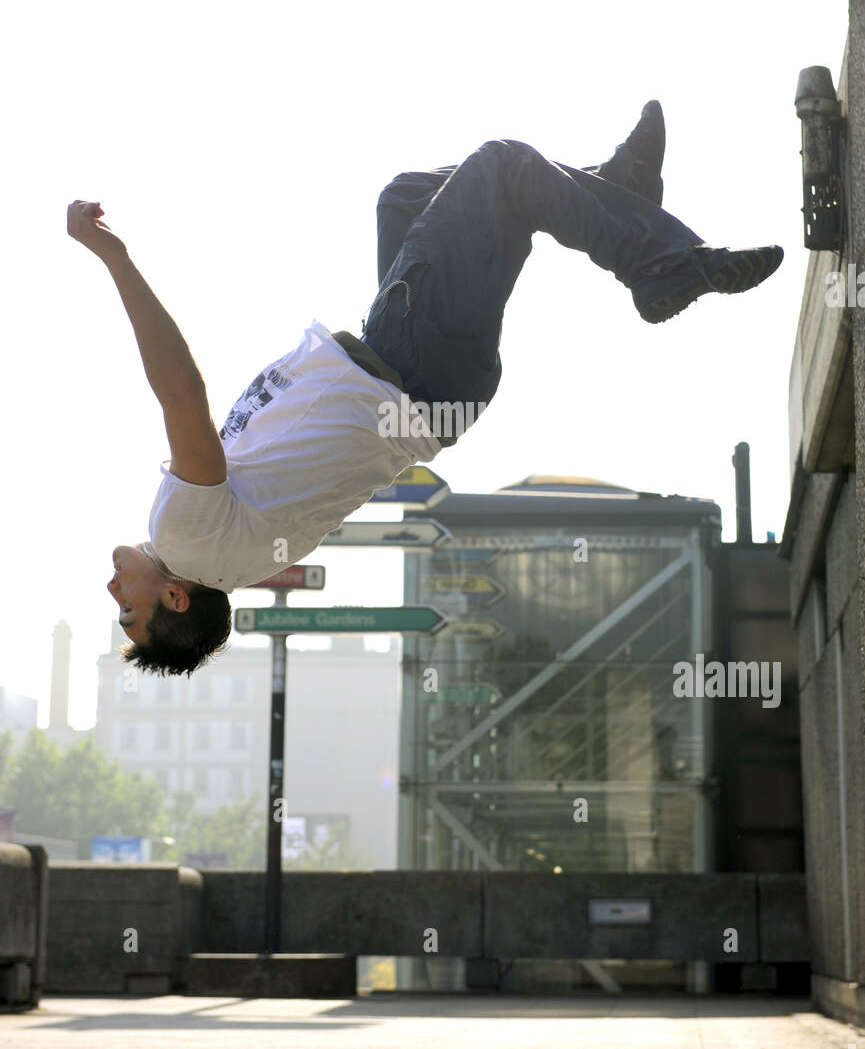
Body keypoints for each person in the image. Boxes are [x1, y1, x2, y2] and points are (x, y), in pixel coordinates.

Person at [70, 103, 782, 678]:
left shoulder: (240, 562)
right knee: (502, 165)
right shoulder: (182, 539)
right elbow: (179, 394)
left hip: (434, 392)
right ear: (172, 596)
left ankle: (611, 187)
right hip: (403, 356)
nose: (114, 594)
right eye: (128, 613)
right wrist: (114, 257)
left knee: (405, 199)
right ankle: (659, 266)